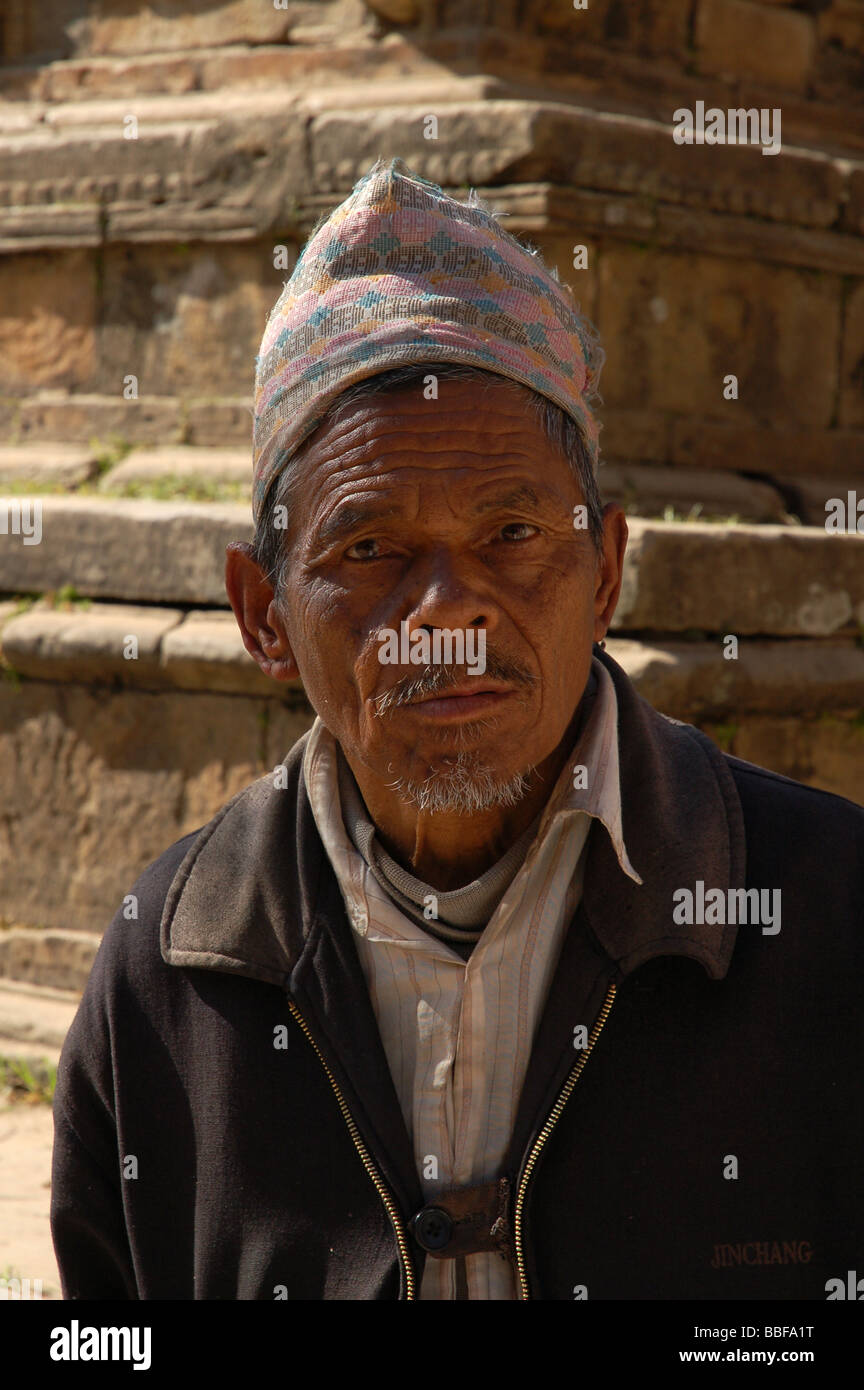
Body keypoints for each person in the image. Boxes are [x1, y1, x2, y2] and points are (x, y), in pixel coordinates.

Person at [51, 158, 863, 1300]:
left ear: (608, 572)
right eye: (370, 549)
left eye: (514, 532)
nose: (446, 610)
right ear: (262, 614)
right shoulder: (166, 974)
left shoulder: (832, 912)